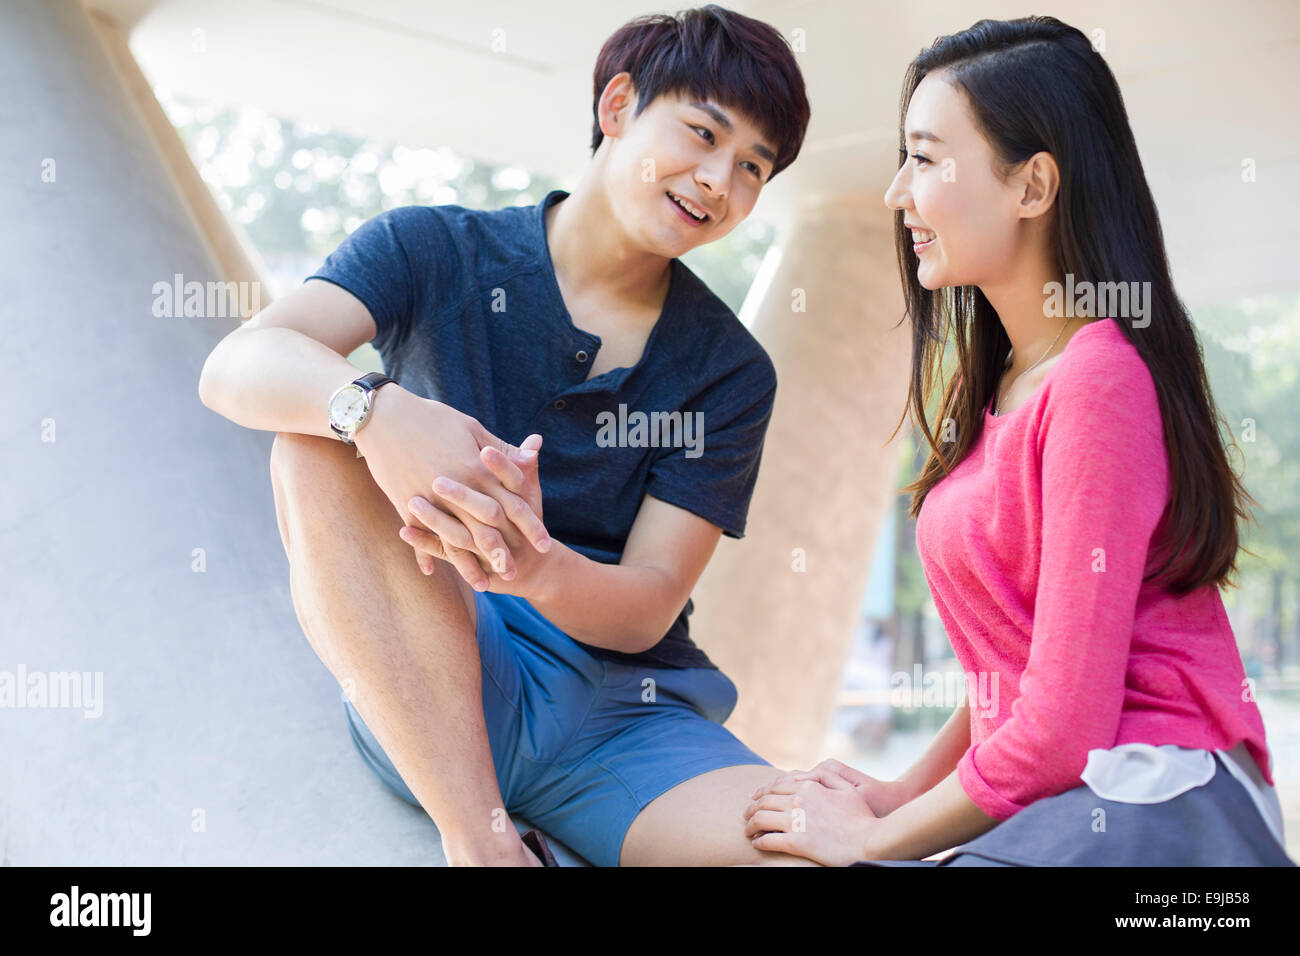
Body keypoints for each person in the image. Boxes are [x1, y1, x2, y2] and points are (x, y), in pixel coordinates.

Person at [199, 5, 813, 867]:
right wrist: (380, 410)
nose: (719, 181)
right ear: (618, 107)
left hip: (630, 721)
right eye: (702, 134)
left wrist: (534, 568)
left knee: (823, 847)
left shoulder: (730, 370)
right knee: (315, 442)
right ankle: (483, 839)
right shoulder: (433, 249)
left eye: (753, 166)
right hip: (442, 677)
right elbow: (236, 364)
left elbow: (647, 604)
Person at [743, 15, 1295, 867]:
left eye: (925, 159)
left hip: (1161, 803)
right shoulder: (1004, 385)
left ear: (1032, 186)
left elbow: (1064, 725)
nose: (898, 193)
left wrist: (874, 838)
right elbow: (1019, 673)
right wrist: (894, 798)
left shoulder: (1097, 382)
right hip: (1085, 796)